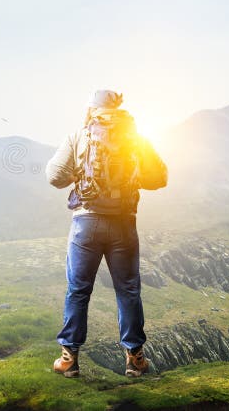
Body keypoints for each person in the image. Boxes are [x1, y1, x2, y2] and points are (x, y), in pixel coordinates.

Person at [45, 90, 168, 378]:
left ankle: (69, 359)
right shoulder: (136, 137)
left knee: (78, 290)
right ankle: (135, 359)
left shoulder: (79, 136)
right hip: (124, 223)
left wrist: (80, 173)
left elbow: (54, 177)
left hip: (85, 224)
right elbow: (160, 178)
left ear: (92, 109)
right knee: (127, 290)